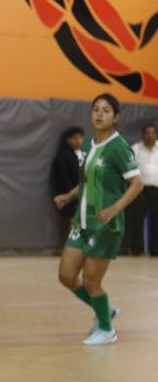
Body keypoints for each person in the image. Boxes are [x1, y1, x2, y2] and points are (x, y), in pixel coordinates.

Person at [54, 93, 143, 345]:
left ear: (115, 117)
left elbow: (136, 184)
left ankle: (106, 329)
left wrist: (115, 208)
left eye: (106, 110)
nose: (99, 114)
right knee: (67, 276)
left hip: (105, 225)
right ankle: (104, 308)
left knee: (93, 281)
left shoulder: (118, 147)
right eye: (96, 109)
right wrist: (69, 196)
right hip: (82, 223)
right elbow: (85, 182)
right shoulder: (86, 144)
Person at [122, 123, 158, 256]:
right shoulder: (135, 149)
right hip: (140, 190)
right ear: (143, 135)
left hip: (156, 189)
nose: (150, 135)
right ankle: (137, 248)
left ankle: (155, 249)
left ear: (156, 134)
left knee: (156, 220)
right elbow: (129, 170)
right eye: (147, 133)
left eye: (152, 133)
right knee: (136, 220)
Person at [50, 126, 85, 249]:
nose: (78, 141)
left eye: (80, 138)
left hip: (87, 196)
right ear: (68, 140)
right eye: (75, 138)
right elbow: (61, 179)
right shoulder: (63, 157)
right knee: (74, 224)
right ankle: (72, 249)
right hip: (72, 197)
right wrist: (70, 195)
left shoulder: (84, 154)